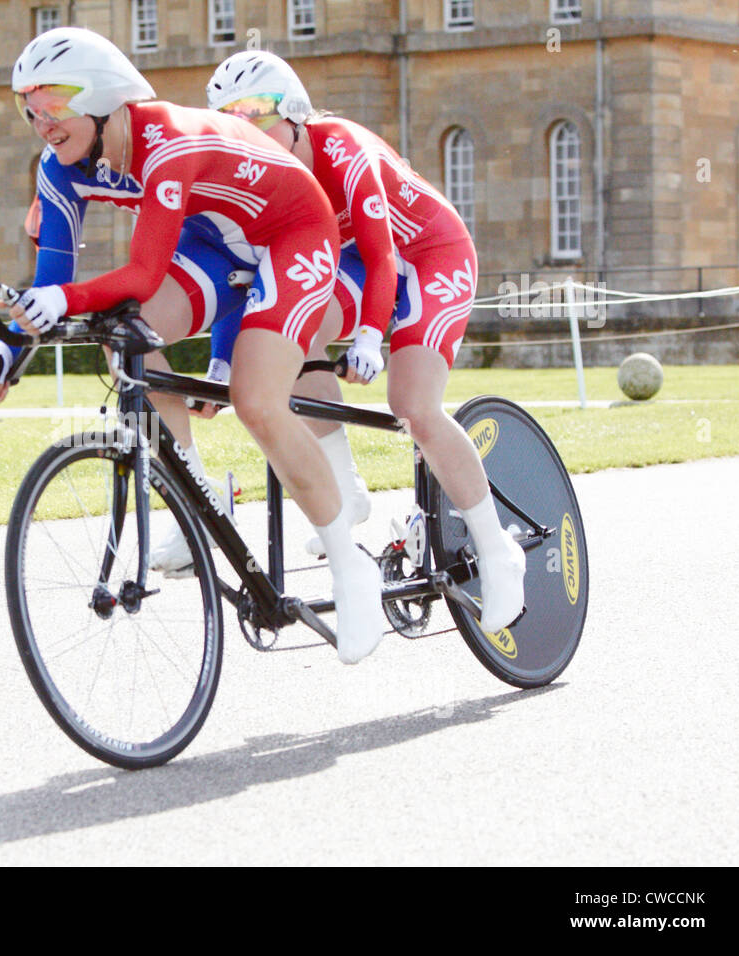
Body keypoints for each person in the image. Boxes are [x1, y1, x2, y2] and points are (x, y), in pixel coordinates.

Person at [0, 26, 386, 663]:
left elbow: (139, 274)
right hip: (217, 240)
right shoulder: (60, 172)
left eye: (53, 102)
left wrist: (64, 302)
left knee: (256, 400)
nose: (41, 121)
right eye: (27, 107)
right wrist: (7, 355)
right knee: (124, 337)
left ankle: (350, 568)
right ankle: (198, 489)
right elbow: (51, 284)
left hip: (290, 229)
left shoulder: (164, 142)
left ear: (105, 95)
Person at [207, 50, 525, 635]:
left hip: (426, 255)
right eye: (232, 119)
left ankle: (497, 547)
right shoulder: (262, 182)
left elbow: (383, 256)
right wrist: (222, 359)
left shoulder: (340, 148)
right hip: (360, 264)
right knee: (290, 329)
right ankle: (345, 486)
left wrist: (373, 338)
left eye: (258, 113)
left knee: (413, 405)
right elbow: (250, 279)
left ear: (295, 113)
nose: (247, 129)